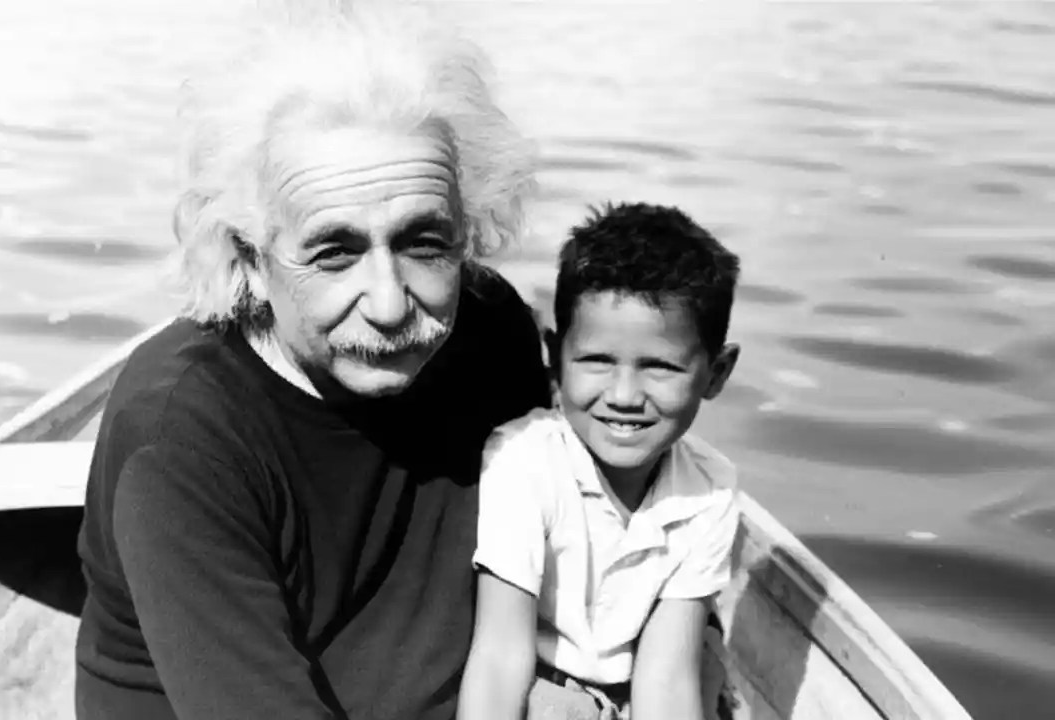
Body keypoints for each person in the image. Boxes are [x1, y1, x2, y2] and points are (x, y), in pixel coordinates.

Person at [73, 5, 551, 720]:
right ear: (250, 261)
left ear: (469, 230)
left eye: (425, 242)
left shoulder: (494, 334)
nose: (389, 304)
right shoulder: (181, 433)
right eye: (335, 251)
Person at [458, 202, 743, 720]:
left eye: (659, 368)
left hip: (639, 689)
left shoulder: (711, 489)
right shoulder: (522, 461)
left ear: (717, 373)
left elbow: (667, 674)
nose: (625, 396)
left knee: (705, 668)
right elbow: (500, 656)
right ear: (554, 355)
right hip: (540, 692)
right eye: (596, 361)